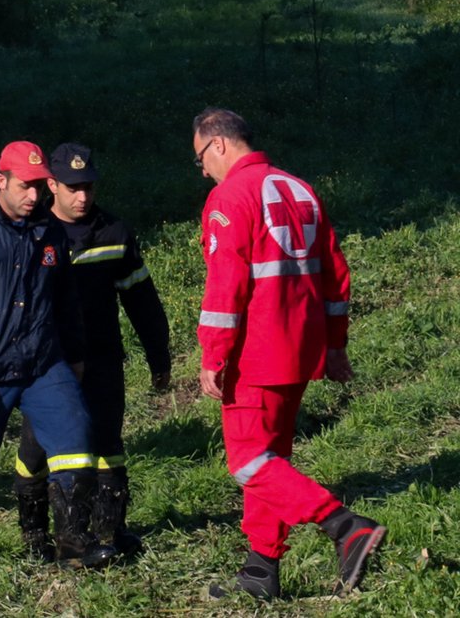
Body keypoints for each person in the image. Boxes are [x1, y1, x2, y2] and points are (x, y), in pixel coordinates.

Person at [192, 107, 385, 599]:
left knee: (248, 461)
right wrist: (335, 343)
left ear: (217, 144)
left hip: (256, 351)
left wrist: (213, 354)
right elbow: (335, 276)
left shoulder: (229, 196)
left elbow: (225, 286)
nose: (203, 171)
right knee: (271, 458)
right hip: (302, 347)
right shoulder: (300, 189)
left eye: (199, 159)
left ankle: (345, 527)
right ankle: (261, 570)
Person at [0, 140, 114, 568]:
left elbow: (66, 301)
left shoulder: (49, 229)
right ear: (1, 182)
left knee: (75, 436)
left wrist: (77, 356)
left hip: (42, 363)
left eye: (39, 187)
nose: (34, 196)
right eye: (25, 186)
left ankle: (73, 544)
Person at [14, 143, 171, 562]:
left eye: (89, 187)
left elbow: (142, 300)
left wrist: (160, 357)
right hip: (48, 363)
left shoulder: (114, 232)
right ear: (51, 184)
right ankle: (34, 536)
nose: (82, 196)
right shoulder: (32, 230)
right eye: (72, 187)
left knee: (108, 446)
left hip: (103, 358)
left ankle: (108, 533)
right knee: (35, 451)